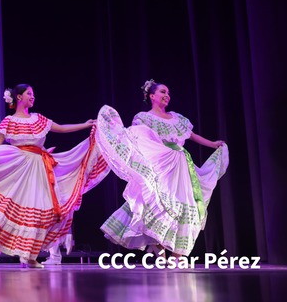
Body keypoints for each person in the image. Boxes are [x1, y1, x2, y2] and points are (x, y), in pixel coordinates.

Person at [0, 84, 109, 268]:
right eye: (29, 93)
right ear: (19, 97)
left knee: (40, 212)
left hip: (39, 168)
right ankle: (28, 256)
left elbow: (60, 128)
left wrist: (85, 125)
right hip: (18, 169)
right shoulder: (9, 121)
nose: (33, 96)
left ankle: (31, 255)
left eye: (33, 94)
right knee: (19, 211)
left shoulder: (39, 119)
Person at [96, 80, 228, 256]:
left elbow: (192, 135)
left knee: (184, 205)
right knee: (157, 203)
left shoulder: (178, 118)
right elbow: (138, 139)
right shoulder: (144, 118)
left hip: (181, 165)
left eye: (168, 93)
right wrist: (119, 134)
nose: (167, 95)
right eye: (163, 92)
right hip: (160, 165)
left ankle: (177, 255)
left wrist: (212, 144)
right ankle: (161, 253)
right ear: (152, 96)